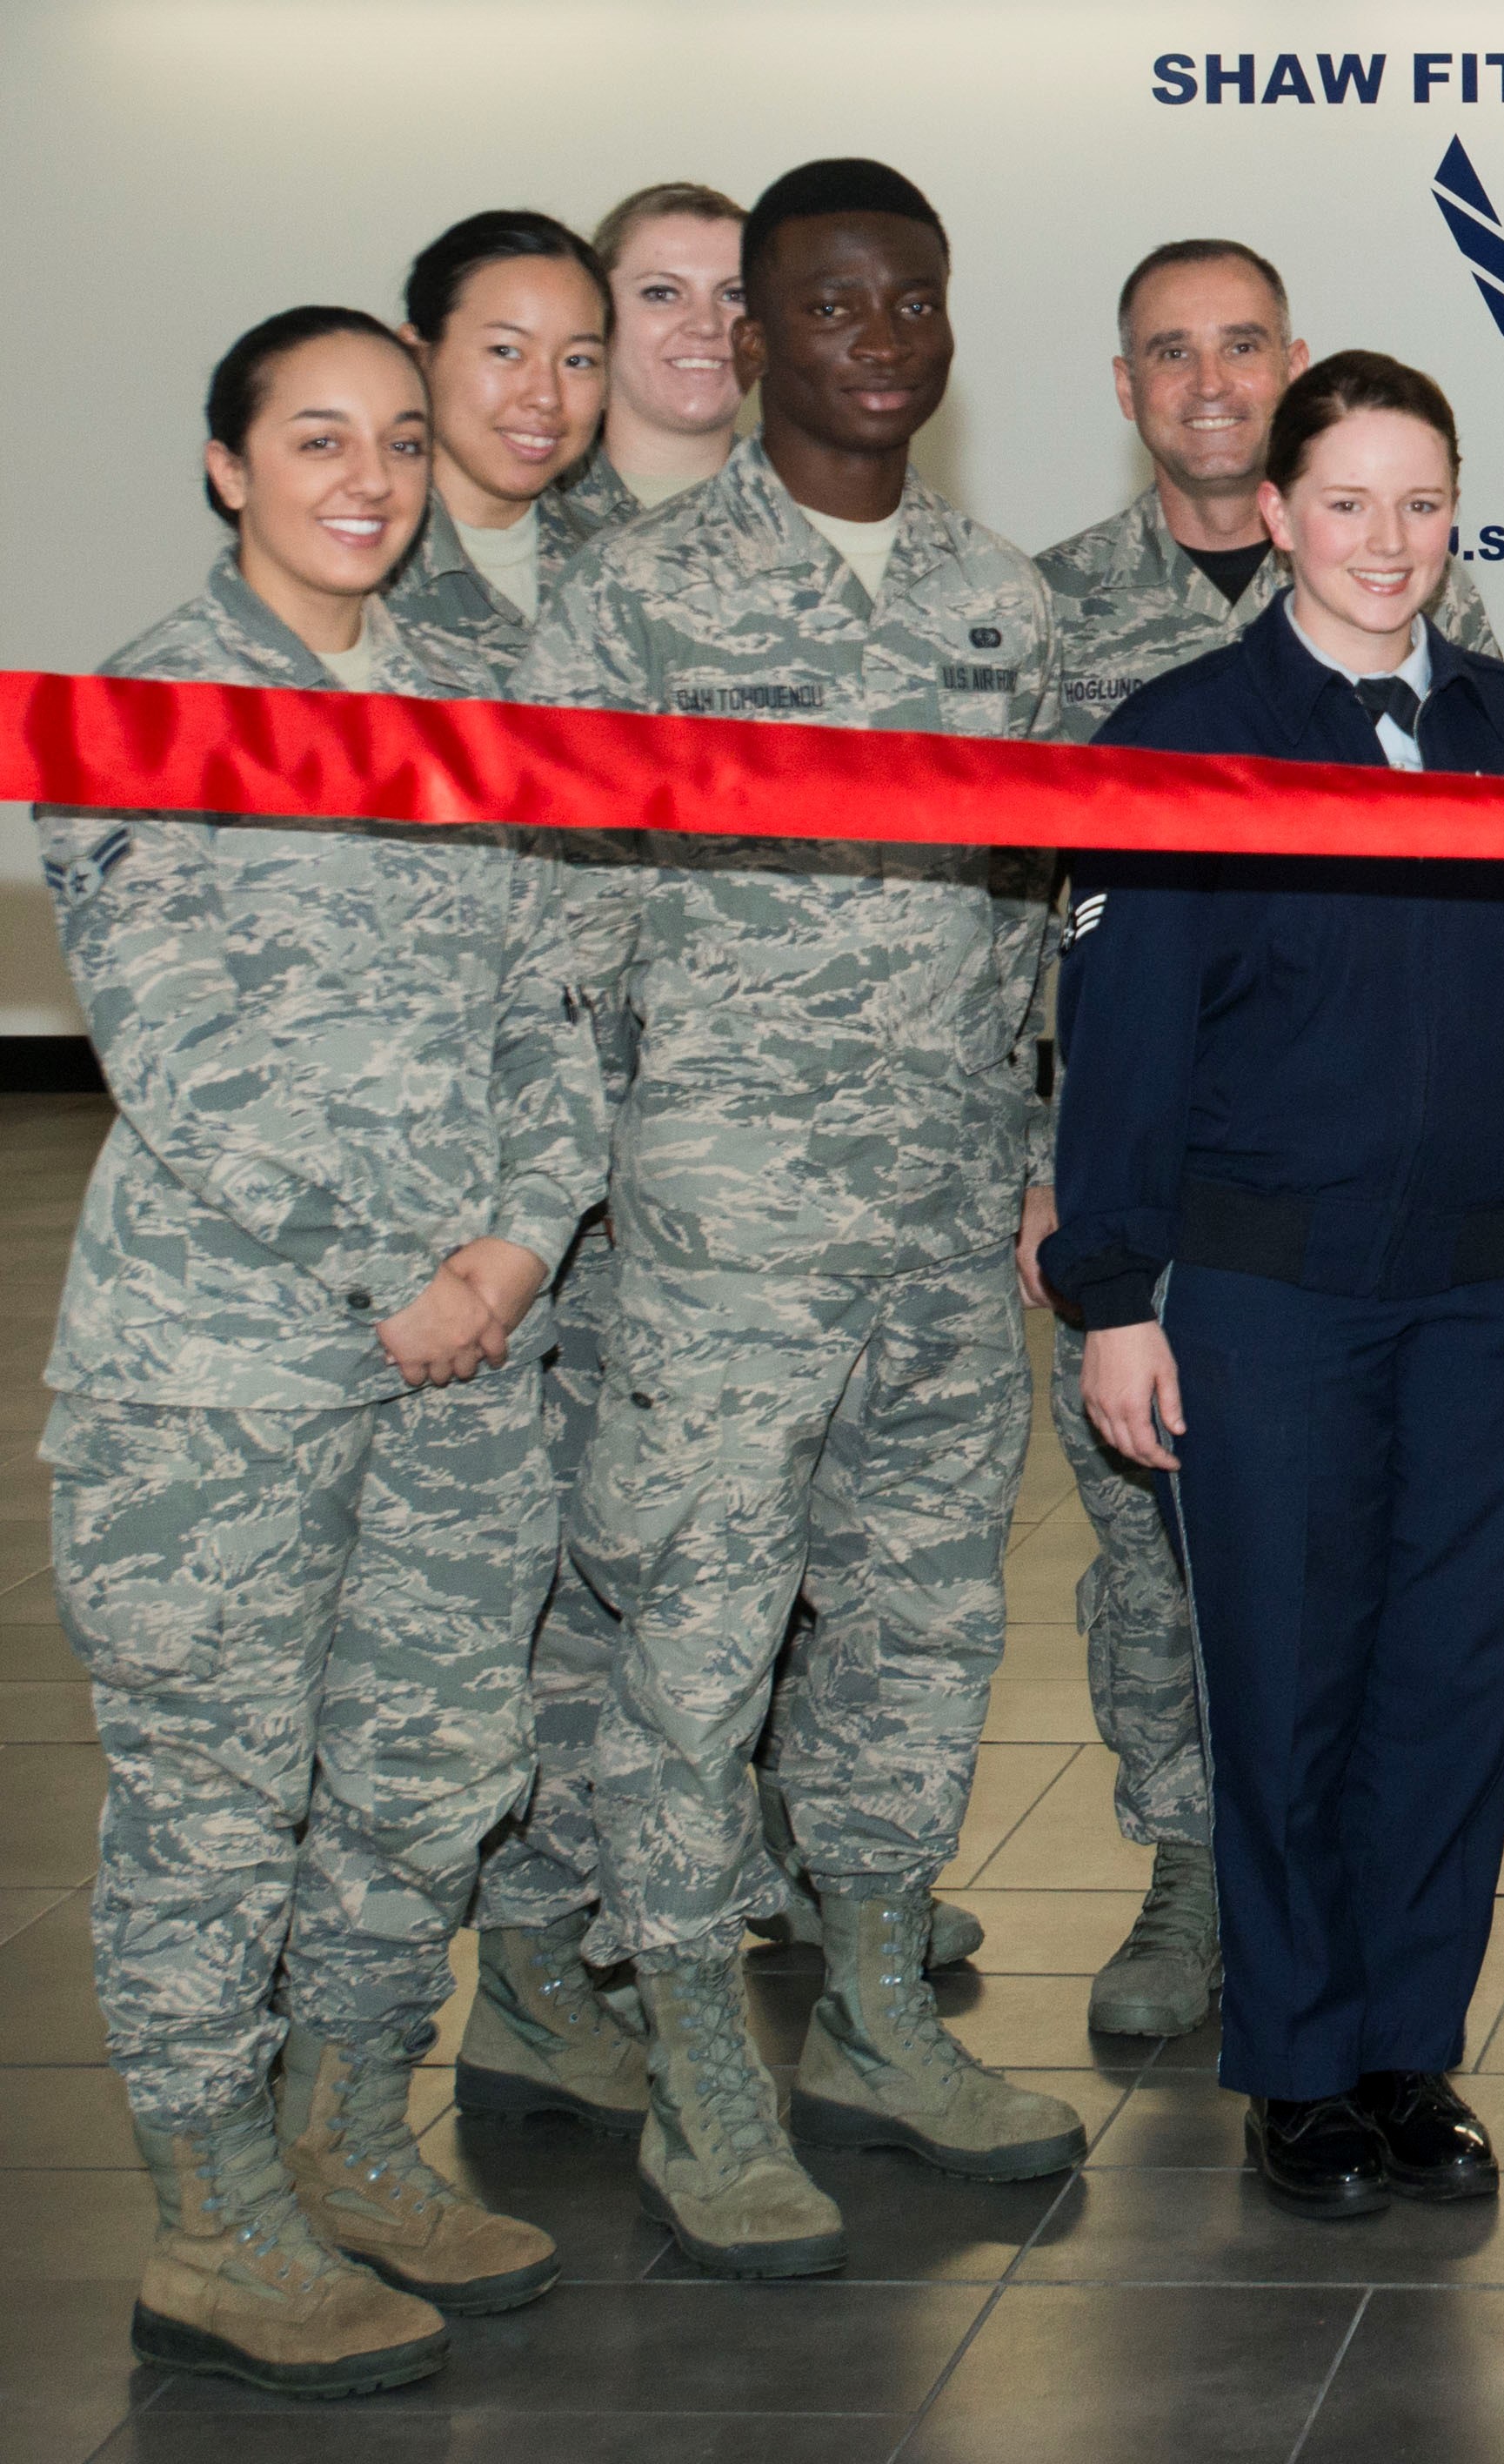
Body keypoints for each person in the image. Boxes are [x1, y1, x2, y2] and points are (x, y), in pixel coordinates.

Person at [517, 157, 1087, 2279]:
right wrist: (574, 1207)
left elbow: (1041, 917)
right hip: (719, 1231)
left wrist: (1041, 1154)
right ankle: (695, 2052)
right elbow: (559, 936)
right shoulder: (634, 603)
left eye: (912, 302)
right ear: (756, 338)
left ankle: (866, 2009)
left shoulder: (1000, 604)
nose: (880, 339)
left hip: (942, 1223)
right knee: (692, 1637)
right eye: (832, 306)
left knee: (924, 1625)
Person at [50, 305, 599, 2395]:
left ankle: (352, 2135)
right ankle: (211, 2214)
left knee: (433, 1760)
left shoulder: (485, 697)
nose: (364, 476)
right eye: (312, 439)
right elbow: (176, 1049)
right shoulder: (138, 704)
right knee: (217, 1795)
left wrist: (521, 1242)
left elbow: (554, 998)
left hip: (471, 1346)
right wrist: (404, 1263)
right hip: (224, 1368)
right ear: (228, 466)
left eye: (392, 438)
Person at [1049, 352, 1504, 2221]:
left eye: (1422, 500)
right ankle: (1298, 2065)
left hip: (1486, 1289)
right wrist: (1113, 1296)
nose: (1387, 541)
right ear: (1278, 515)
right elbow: (1121, 1043)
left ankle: (1407, 2048)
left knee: (1455, 1679)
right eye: (1350, 501)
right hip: (1266, 1297)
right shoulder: (1178, 737)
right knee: (1289, 1679)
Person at [1031, 236, 1502, 2045]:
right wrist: (1075, 1206)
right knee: (1193, 1586)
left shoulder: (1478, 691)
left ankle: (1371, 1998)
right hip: (1181, 1208)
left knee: (1403, 1633)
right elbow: (1054, 940)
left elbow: (1497, 975)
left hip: (1420, 1242)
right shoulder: (1065, 622)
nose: (1209, 380)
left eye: (1243, 347)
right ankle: (1198, 1890)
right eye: (1170, 351)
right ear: (1127, 383)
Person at [460, 185, 741, 2136]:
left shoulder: (783, 558)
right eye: (656, 297)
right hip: (543, 1170)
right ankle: (546, 1949)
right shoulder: (498, 560)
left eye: (737, 297)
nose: (697, 332)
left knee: (719, 1569)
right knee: (565, 1581)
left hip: (734, 1173)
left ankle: (719, 1892)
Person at [380, 211, 607, 663]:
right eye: (506, 351)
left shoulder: (630, 564)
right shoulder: (348, 563)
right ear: (416, 356)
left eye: (578, 361)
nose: (546, 397)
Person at [545, 183, 745, 545]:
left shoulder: (825, 513)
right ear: (597, 314)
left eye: (735, 295)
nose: (706, 324)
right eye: (661, 293)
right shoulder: (519, 515)